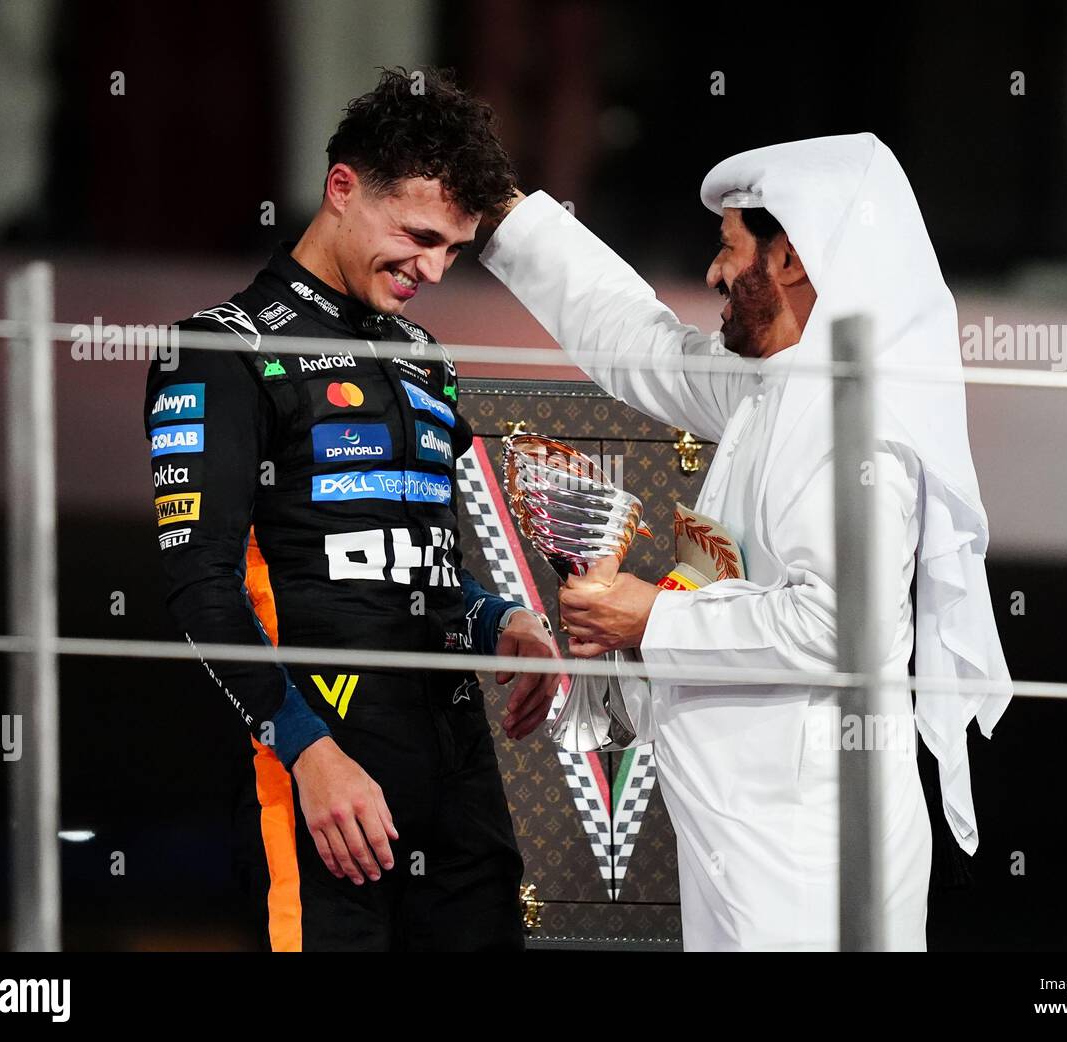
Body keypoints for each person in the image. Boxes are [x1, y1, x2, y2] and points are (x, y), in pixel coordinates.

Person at [479, 133, 1013, 950]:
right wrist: (503, 213)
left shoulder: (856, 428)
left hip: (811, 857)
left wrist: (649, 617)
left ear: (791, 258)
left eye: (730, 250)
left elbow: (840, 626)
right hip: (754, 838)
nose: (715, 274)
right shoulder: (779, 386)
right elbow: (640, 343)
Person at [143, 67, 558, 952]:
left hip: (458, 772)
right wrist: (308, 751)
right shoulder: (220, 349)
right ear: (340, 188)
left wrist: (502, 621)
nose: (434, 270)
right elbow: (201, 592)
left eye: (454, 249)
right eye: (418, 236)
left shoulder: (426, 357)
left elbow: (427, 572)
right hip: (322, 773)